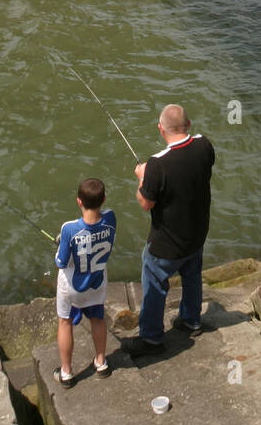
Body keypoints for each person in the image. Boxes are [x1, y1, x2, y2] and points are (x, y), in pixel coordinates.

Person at [124, 105, 215, 357]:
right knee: (192, 273)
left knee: (154, 282)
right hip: (197, 233)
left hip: (167, 243)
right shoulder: (204, 145)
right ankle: (190, 320)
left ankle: (151, 337)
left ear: (160, 129)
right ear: (188, 124)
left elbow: (146, 202)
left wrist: (142, 177)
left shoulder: (157, 164)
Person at [53, 177, 116, 386]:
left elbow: (61, 262)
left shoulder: (69, 229)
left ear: (79, 201)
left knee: (65, 322)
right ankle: (101, 362)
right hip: (97, 283)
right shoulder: (111, 219)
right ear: (104, 198)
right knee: (97, 319)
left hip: (72, 288)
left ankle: (67, 372)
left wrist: (61, 243)